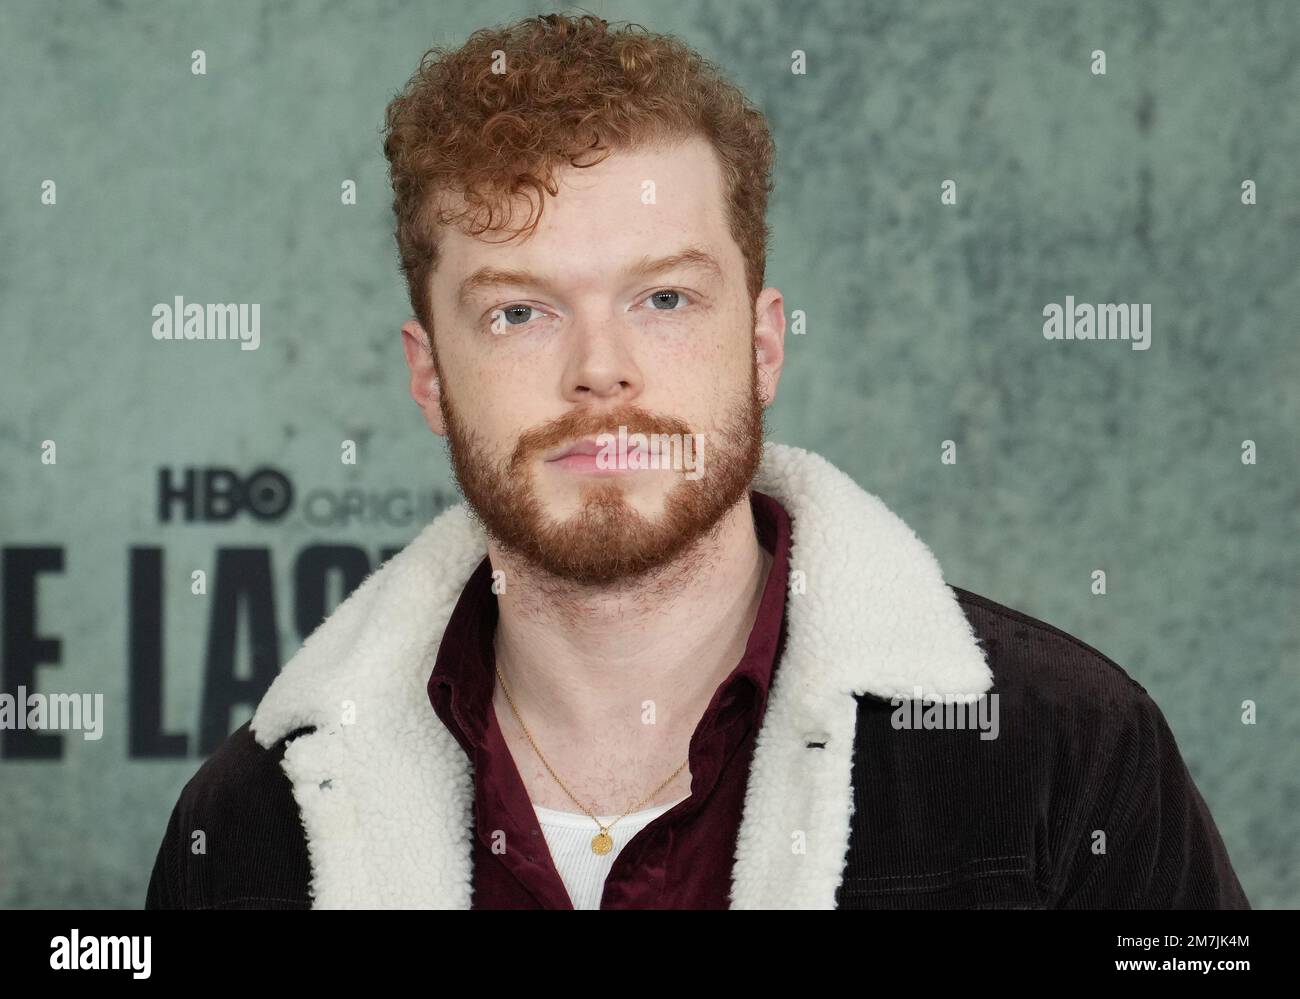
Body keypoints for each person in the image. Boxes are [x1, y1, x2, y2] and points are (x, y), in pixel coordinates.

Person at [145, 12, 1248, 910]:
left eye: (663, 298)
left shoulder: (1063, 754)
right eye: (520, 312)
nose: (600, 371)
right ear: (428, 375)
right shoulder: (246, 829)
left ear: (763, 343)